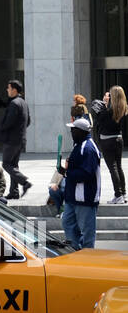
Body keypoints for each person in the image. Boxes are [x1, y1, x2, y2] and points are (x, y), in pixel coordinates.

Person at [58, 116, 101, 250]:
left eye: (73, 130)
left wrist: (67, 173)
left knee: (87, 232)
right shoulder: (79, 145)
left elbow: (86, 174)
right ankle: (76, 250)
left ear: (81, 131)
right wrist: (65, 170)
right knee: (67, 222)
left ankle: (87, 257)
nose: (71, 133)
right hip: (73, 197)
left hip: (85, 197)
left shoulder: (88, 148)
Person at [91, 86, 128, 204]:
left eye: (110, 95)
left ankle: (118, 195)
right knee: (119, 167)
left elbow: (101, 120)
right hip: (118, 139)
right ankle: (123, 193)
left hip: (107, 141)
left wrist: (105, 104)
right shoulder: (123, 108)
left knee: (113, 168)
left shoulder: (108, 110)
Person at [1, 80, 31, 200]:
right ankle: (14, 192)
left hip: (12, 139)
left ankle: (24, 182)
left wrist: (2, 128)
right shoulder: (23, 102)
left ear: (14, 89)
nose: (7, 90)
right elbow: (28, 121)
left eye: (8, 88)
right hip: (20, 139)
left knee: (6, 164)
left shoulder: (14, 103)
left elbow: (9, 122)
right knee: (13, 165)